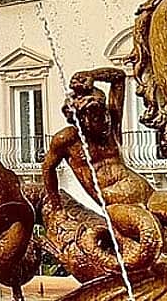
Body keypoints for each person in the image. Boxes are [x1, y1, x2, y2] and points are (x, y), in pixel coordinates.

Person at [42, 67, 154, 210]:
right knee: (146, 223)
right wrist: (56, 205)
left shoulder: (111, 124)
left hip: (146, 191)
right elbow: (47, 168)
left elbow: (119, 77)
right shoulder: (68, 139)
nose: (105, 120)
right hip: (117, 206)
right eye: (97, 117)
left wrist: (92, 75)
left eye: (104, 113)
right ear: (81, 121)